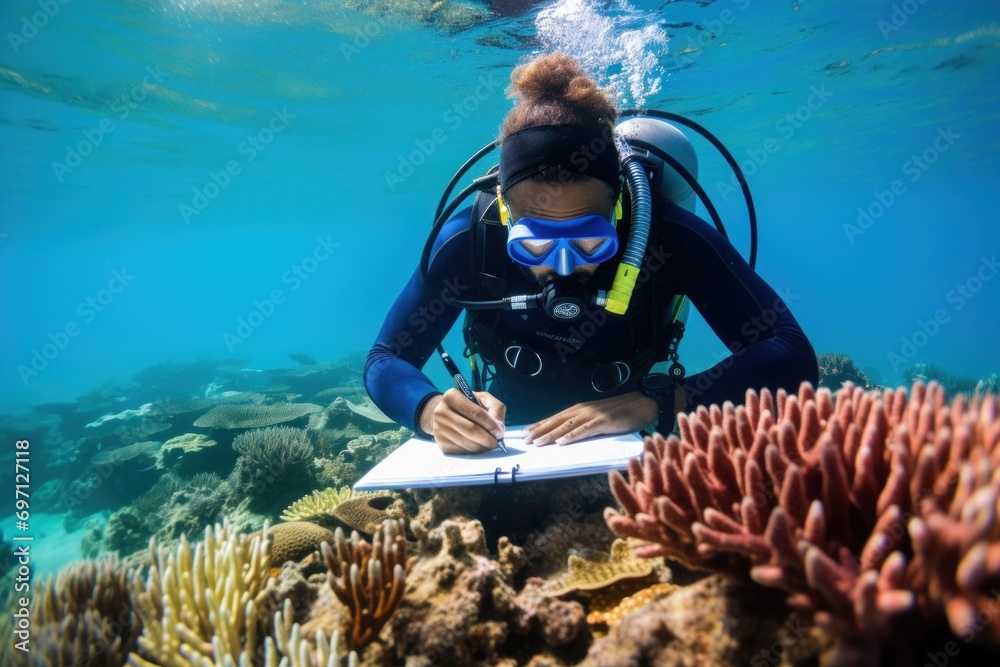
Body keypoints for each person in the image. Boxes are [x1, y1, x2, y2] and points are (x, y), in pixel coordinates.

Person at [365, 53, 818, 454]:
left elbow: (791, 353)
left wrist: (661, 400)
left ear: (617, 206)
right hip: (508, 436)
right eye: (536, 244)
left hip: (629, 436)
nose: (565, 267)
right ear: (506, 212)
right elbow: (386, 357)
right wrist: (426, 410)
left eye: (588, 242)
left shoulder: (665, 236)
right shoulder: (469, 241)